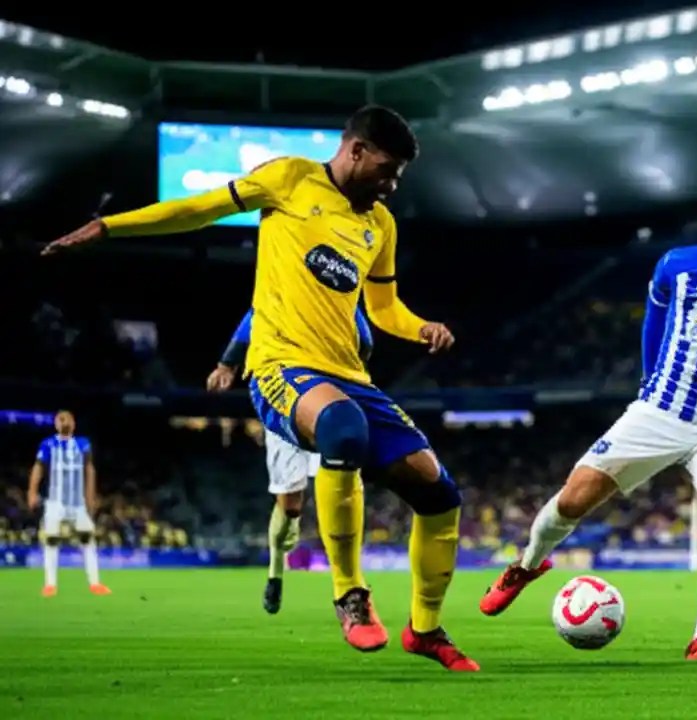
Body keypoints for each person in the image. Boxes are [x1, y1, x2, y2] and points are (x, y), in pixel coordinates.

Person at [43, 105, 478, 670]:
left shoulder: (380, 225)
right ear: (356, 151)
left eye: (399, 176)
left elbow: (384, 307)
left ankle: (425, 630)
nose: (392, 184)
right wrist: (110, 226)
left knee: (439, 494)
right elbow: (196, 209)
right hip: (280, 366)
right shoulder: (290, 178)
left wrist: (420, 326)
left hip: (348, 374)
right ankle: (350, 593)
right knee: (342, 430)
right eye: (387, 170)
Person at [479, 183, 697, 662]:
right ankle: (527, 566)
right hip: (658, 413)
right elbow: (654, 313)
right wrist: (648, 377)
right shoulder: (678, 265)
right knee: (573, 499)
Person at [207, 305, 373, 615]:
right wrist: (226, 365)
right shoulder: (280, 293)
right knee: (290, 505)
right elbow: (250, 324)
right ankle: (275, 570)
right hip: (283, 402)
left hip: (326, 405)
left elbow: (365, 340)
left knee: (342, 486)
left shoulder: (335, 295)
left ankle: (350, 585)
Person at [28, 410, 111, 597]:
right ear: (56, 423)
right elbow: (38, 468)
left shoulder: (82, 444)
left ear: (73, 423)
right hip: (54, 503)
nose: (64, 422)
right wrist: (32, 492)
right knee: (51, 541)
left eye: (67, 419)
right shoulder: (48, 444)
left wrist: (91, 497)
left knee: (88, 540)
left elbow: (89, 469)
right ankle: (50, 585)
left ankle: (95, 583)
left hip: (78, 504)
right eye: (60, 419)